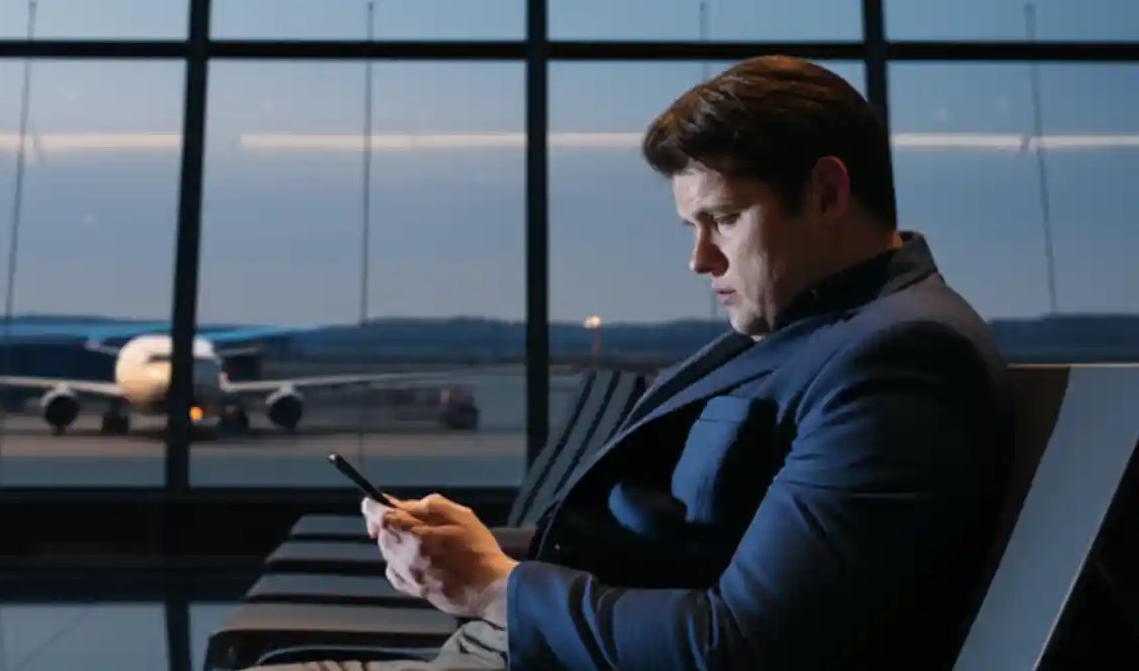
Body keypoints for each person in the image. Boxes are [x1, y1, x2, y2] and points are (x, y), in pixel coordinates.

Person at [257, 55, 1013, 670]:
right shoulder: (824, 333)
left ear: (825, 192)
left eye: (722, 219)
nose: (699, 259)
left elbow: (743, 647)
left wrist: (495, 587)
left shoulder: (899, 359)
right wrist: (475, 555)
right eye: (693, 226)